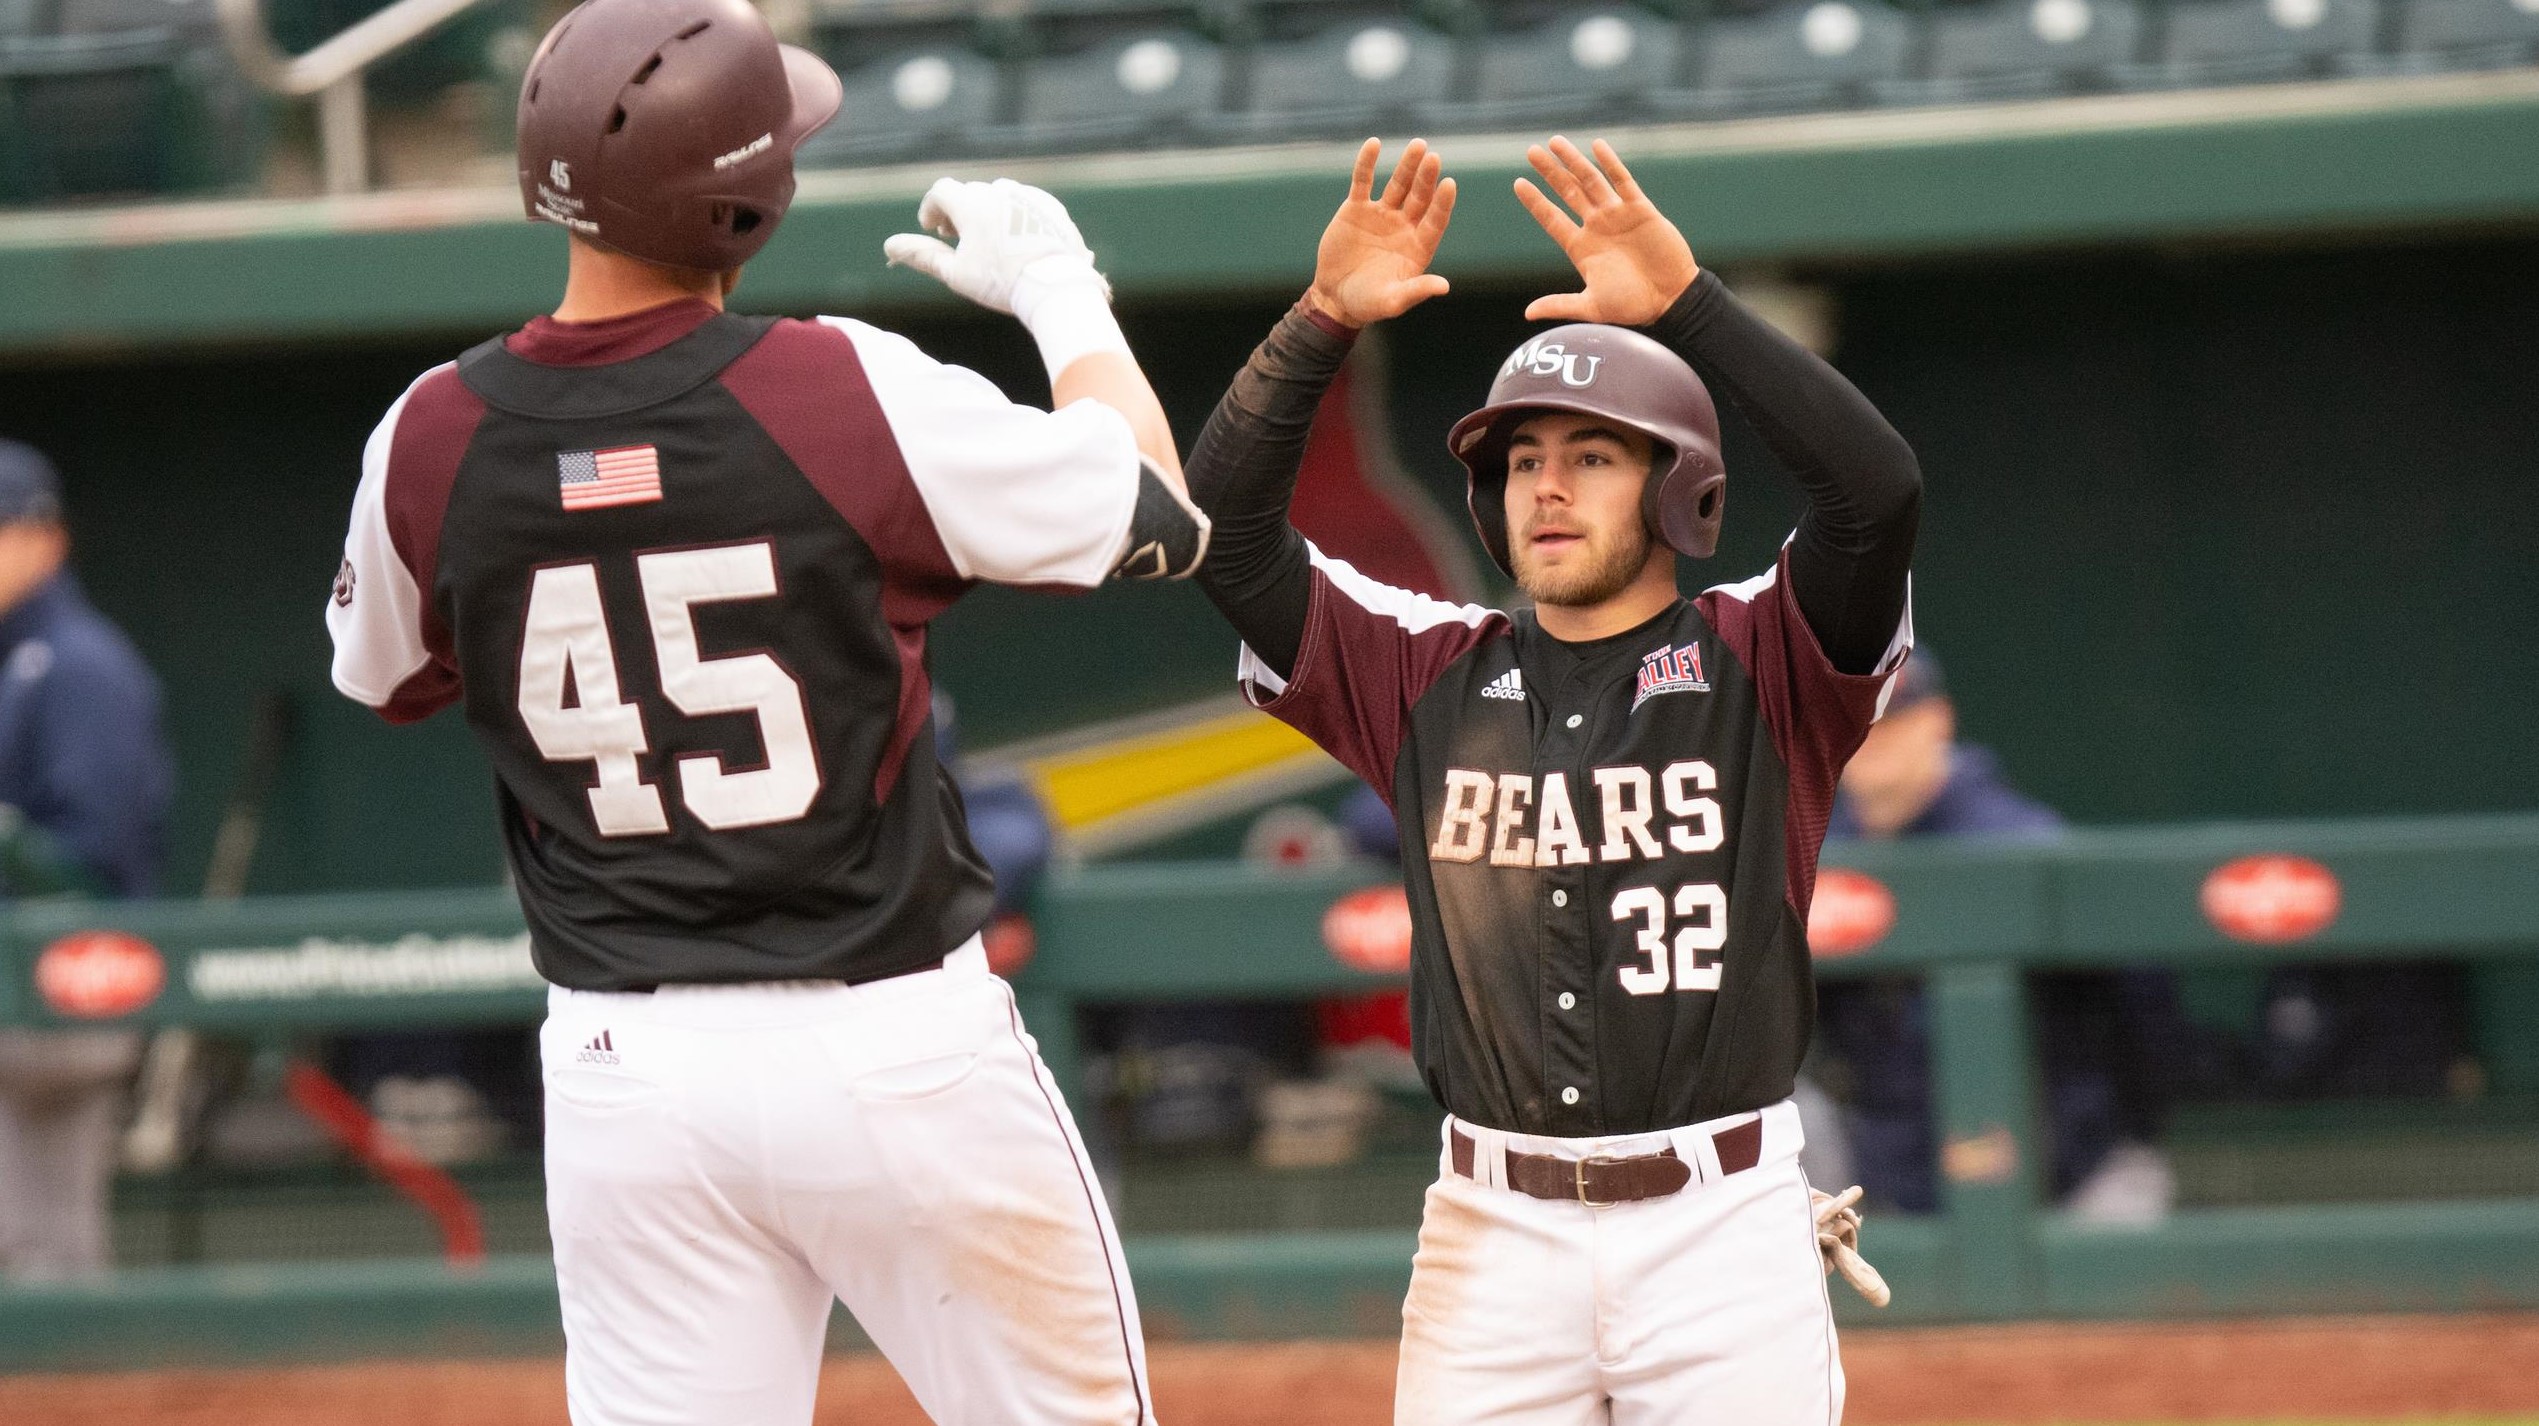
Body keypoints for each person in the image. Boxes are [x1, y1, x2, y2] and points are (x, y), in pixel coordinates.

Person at [323, 0, 1207, 1419]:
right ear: (745, 201)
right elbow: (1154, 515)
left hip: (626, 1069)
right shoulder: (838, 384)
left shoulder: (429, 429)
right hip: (894, 1047)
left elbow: (382, 677)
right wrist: (1063, 295)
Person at [1179, 136, 1914, 1424]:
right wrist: (1318, 321)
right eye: (1521, 460)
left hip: (1721, 1224)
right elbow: (1221, 533)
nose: (1547, 487)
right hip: (1491, 1231)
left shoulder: (1760, 652)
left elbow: (1874, 496)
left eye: (1592, 453)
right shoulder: (1419, 672)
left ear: (1679, 489)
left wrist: (1689, 305)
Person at [1820, 649, 2183, 1221]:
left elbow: (2145, 1012)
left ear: (1938, 720)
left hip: (2061, 1180)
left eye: (1893, 718)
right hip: (1883, 1188)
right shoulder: (1810, 855)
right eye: (1856, 720)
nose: (1872, 738)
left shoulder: (2021, 841)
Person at [0, 438, 175, 1282]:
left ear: (44, 537)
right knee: (36, 1248)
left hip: (66, 986)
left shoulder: (76, 665)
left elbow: (94, 850)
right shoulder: (20, 662)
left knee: (47, 1255)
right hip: (26, 991)